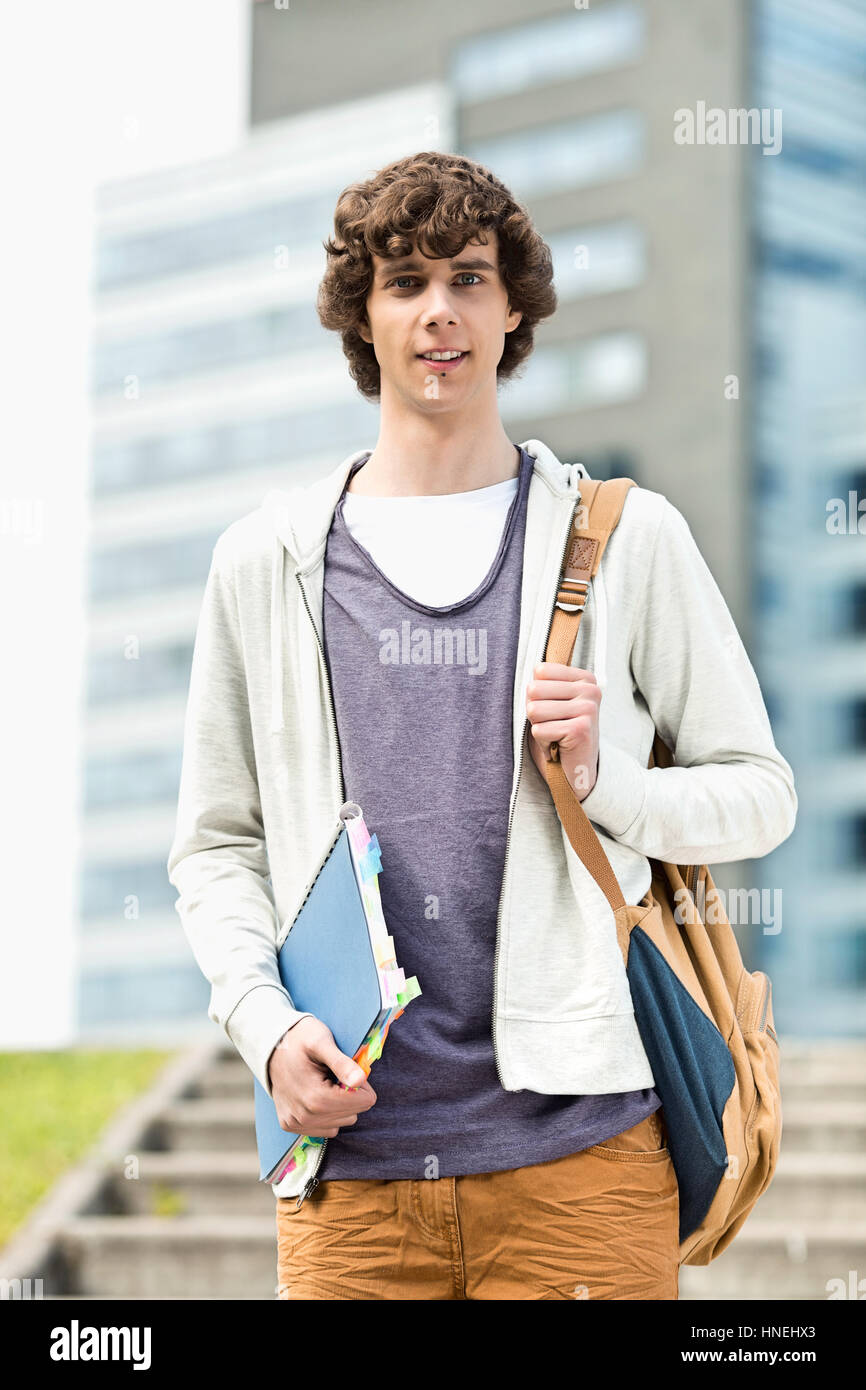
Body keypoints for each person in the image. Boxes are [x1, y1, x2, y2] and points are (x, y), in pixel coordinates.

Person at [166, 151, 797, 1301]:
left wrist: (607, 782)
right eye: (404, 282)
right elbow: (216, 846)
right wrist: (262, 1025)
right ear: (362, 315)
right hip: (349, 1179)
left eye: (468, 278)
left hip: (584, 1164)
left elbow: (759, 791)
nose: (439, 311)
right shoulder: (263, 562)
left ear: (513, 309)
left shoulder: (625, 539)